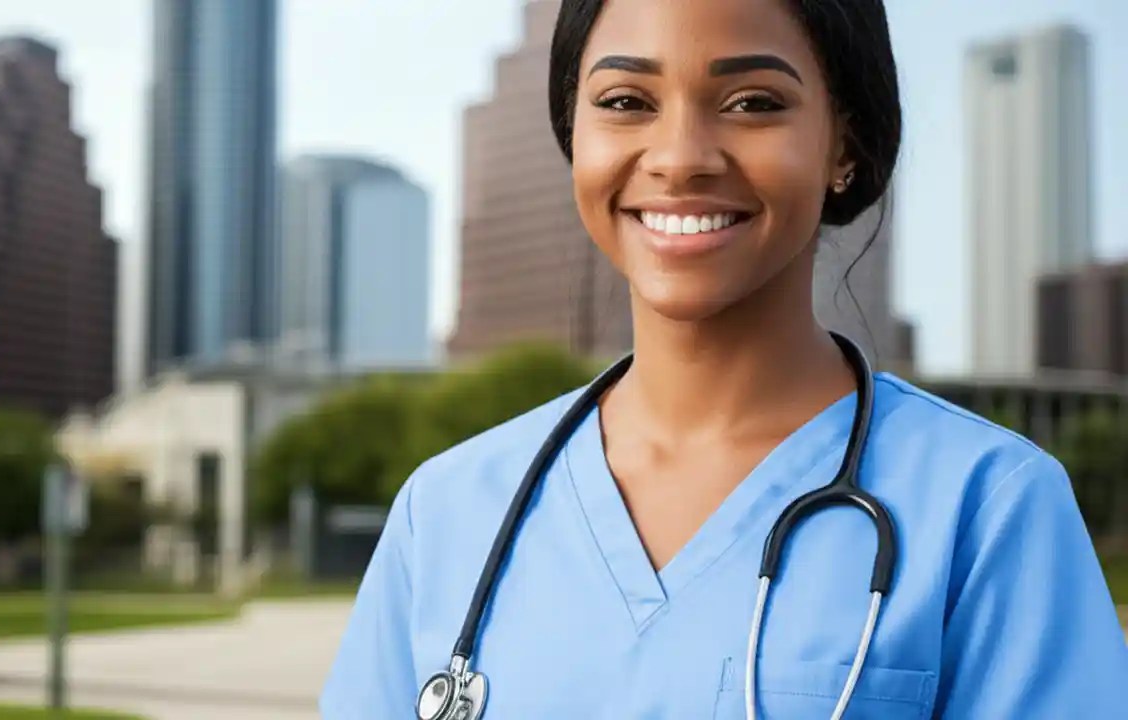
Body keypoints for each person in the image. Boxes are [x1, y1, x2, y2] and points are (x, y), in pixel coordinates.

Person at [320, 0, 1128, 717]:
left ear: (845, 143)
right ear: (575, 132)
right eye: (626, 102)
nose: (680, 158)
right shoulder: (446, 513)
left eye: (754, 103)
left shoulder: (988, 508)